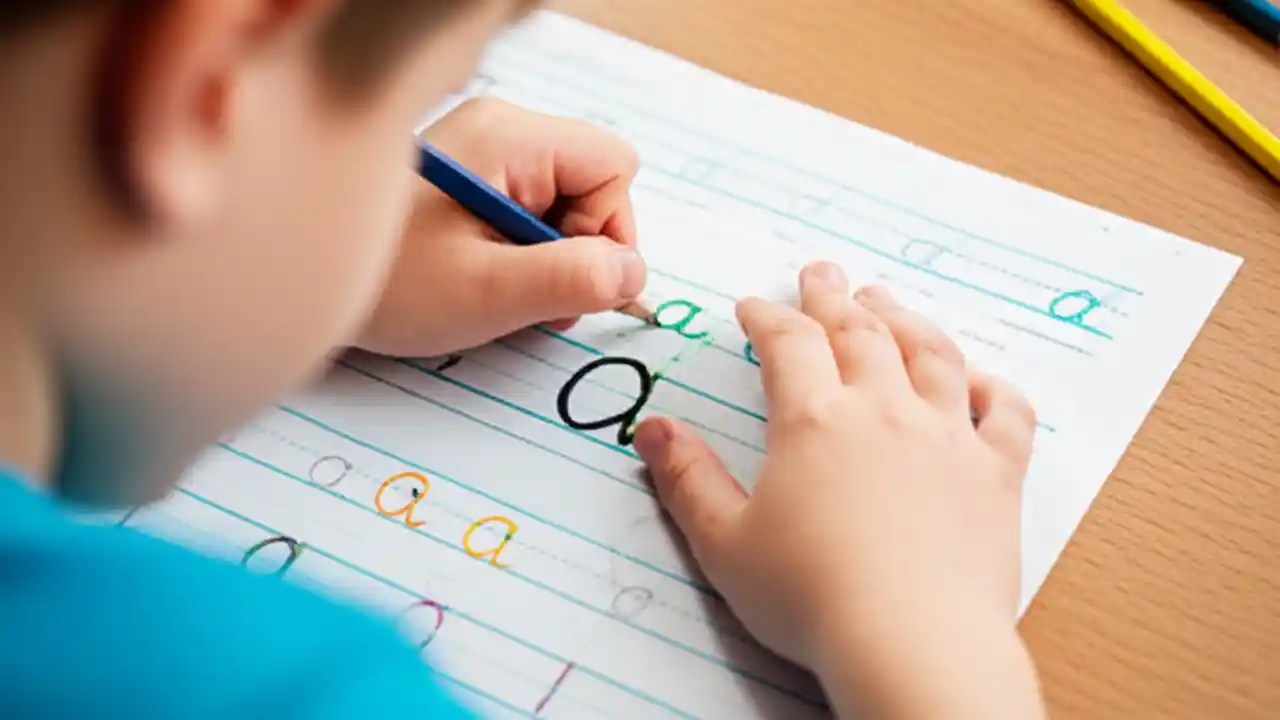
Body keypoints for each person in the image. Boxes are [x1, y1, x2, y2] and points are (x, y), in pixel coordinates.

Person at [0, 1, 1047, 718]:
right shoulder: (260, 687)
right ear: (203, 91)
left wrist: (236, 258)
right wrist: (920, 631)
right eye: (410, 114)